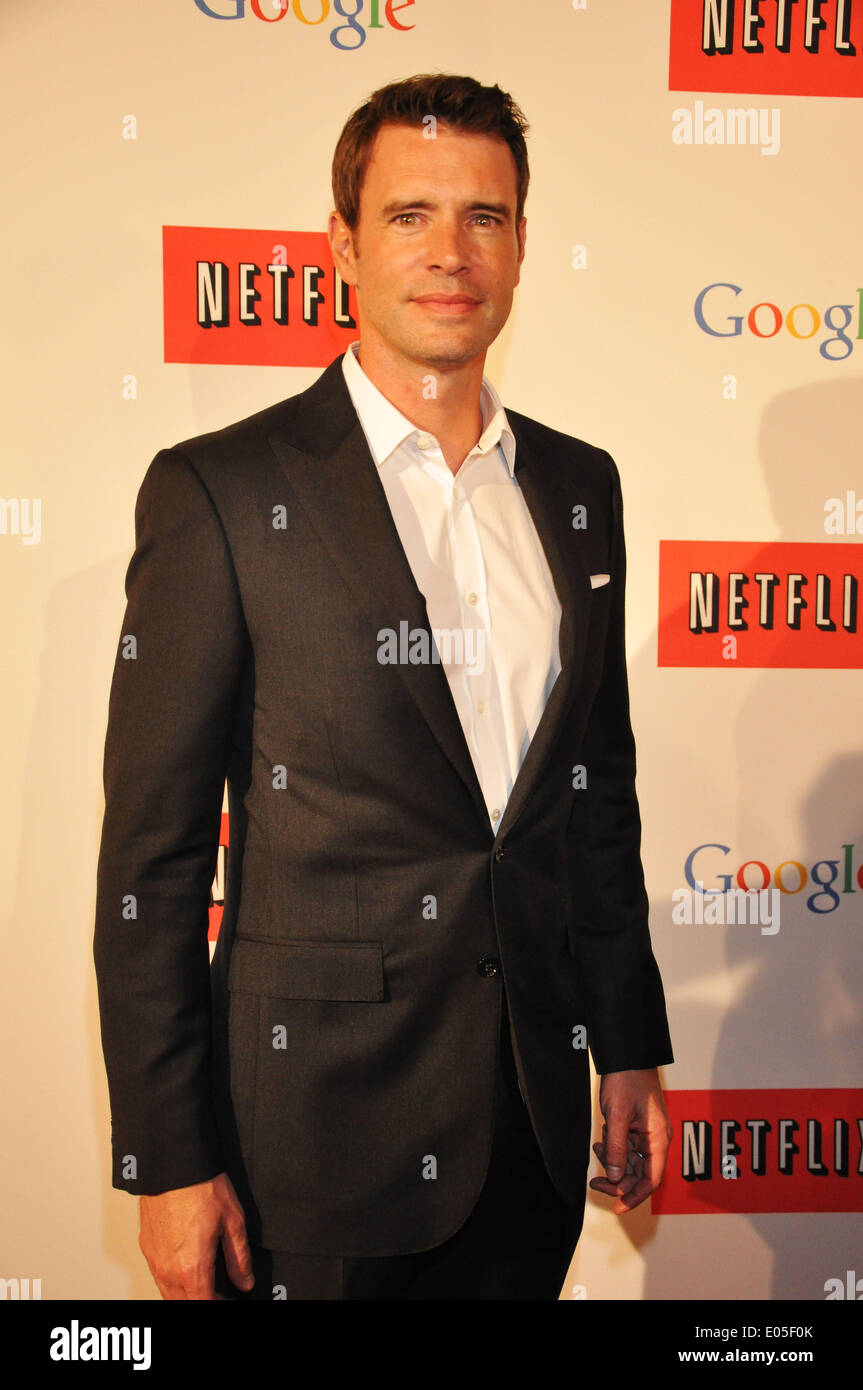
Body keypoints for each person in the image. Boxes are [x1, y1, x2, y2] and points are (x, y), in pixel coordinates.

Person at [94, 72, 673, 1302]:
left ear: (521, 246)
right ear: (341, 242)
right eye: (410, 215)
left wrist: (624, 1046)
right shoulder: (225, 492)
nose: (449, 252)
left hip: (530, 1133)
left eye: (485, 216)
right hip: (312, 1146)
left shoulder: (580, 488)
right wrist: (165, 1162)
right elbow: (150, 861)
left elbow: (594, 800)